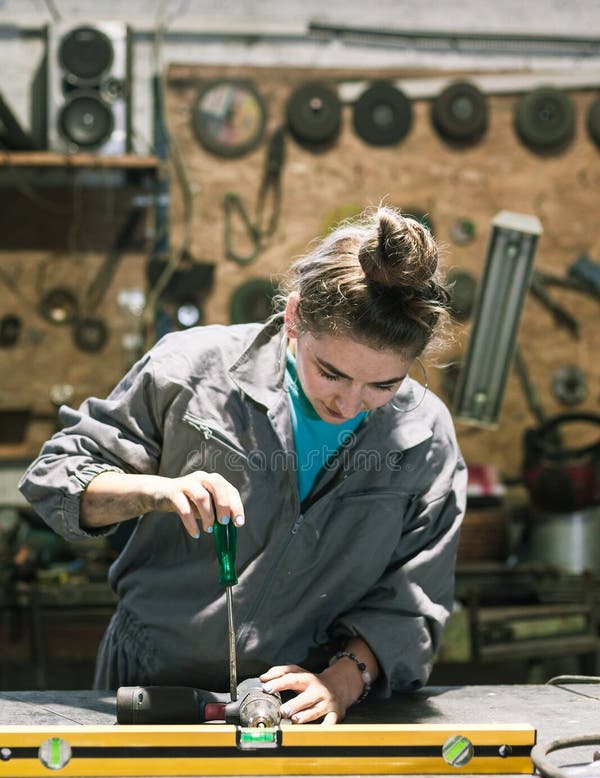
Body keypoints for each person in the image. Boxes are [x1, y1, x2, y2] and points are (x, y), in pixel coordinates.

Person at [19, 205, 466, 724]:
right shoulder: (192, 370)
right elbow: (56, 477)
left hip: (300, 706)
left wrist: (340, 684)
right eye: (331, 373)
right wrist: (154, 491)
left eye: (383, 385)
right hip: (152, 680)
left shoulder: (423, 436)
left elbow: (415, 597)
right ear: (295, 316)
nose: (348, 404)